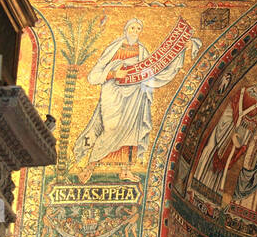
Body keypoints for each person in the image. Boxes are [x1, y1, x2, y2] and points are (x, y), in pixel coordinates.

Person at [72, 18, 195, 182]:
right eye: (132, 28)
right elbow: (93, 76)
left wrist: (180, 50)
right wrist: (114, 74)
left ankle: (125, 170)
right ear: (125, 29)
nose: (135, 31)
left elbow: (155, 70)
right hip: (113, 94)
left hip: (135, 96)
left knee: (131, 132)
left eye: (138, 29)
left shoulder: (142, 51)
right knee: (111, 129)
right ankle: (89, 167)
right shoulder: (114, 48)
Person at [192, 72, 257, 197]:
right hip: (226, 124)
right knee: (212, 147)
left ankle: (211, 190)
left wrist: (245, 132)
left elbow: (250, 120)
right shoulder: (243, 91)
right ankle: (197, 180)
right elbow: (231, 106)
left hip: (237, 133)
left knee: (225, 159)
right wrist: (231, 127)